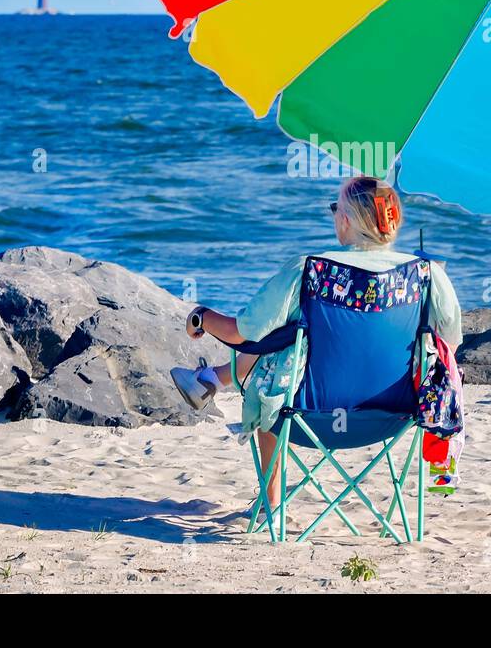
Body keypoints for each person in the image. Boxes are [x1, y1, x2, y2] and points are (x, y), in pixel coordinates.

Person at [169, 176, 462, 510]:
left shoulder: (310, 269)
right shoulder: (427, 273)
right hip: (394, 417)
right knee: (285, 335)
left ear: (347, 220)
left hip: (307, 417)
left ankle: (272, 501)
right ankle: (212, 380)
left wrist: (202, 317)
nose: (334, 215)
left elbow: (245, 332)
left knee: (273, 362)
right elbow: (449, 342)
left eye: (336, 208)